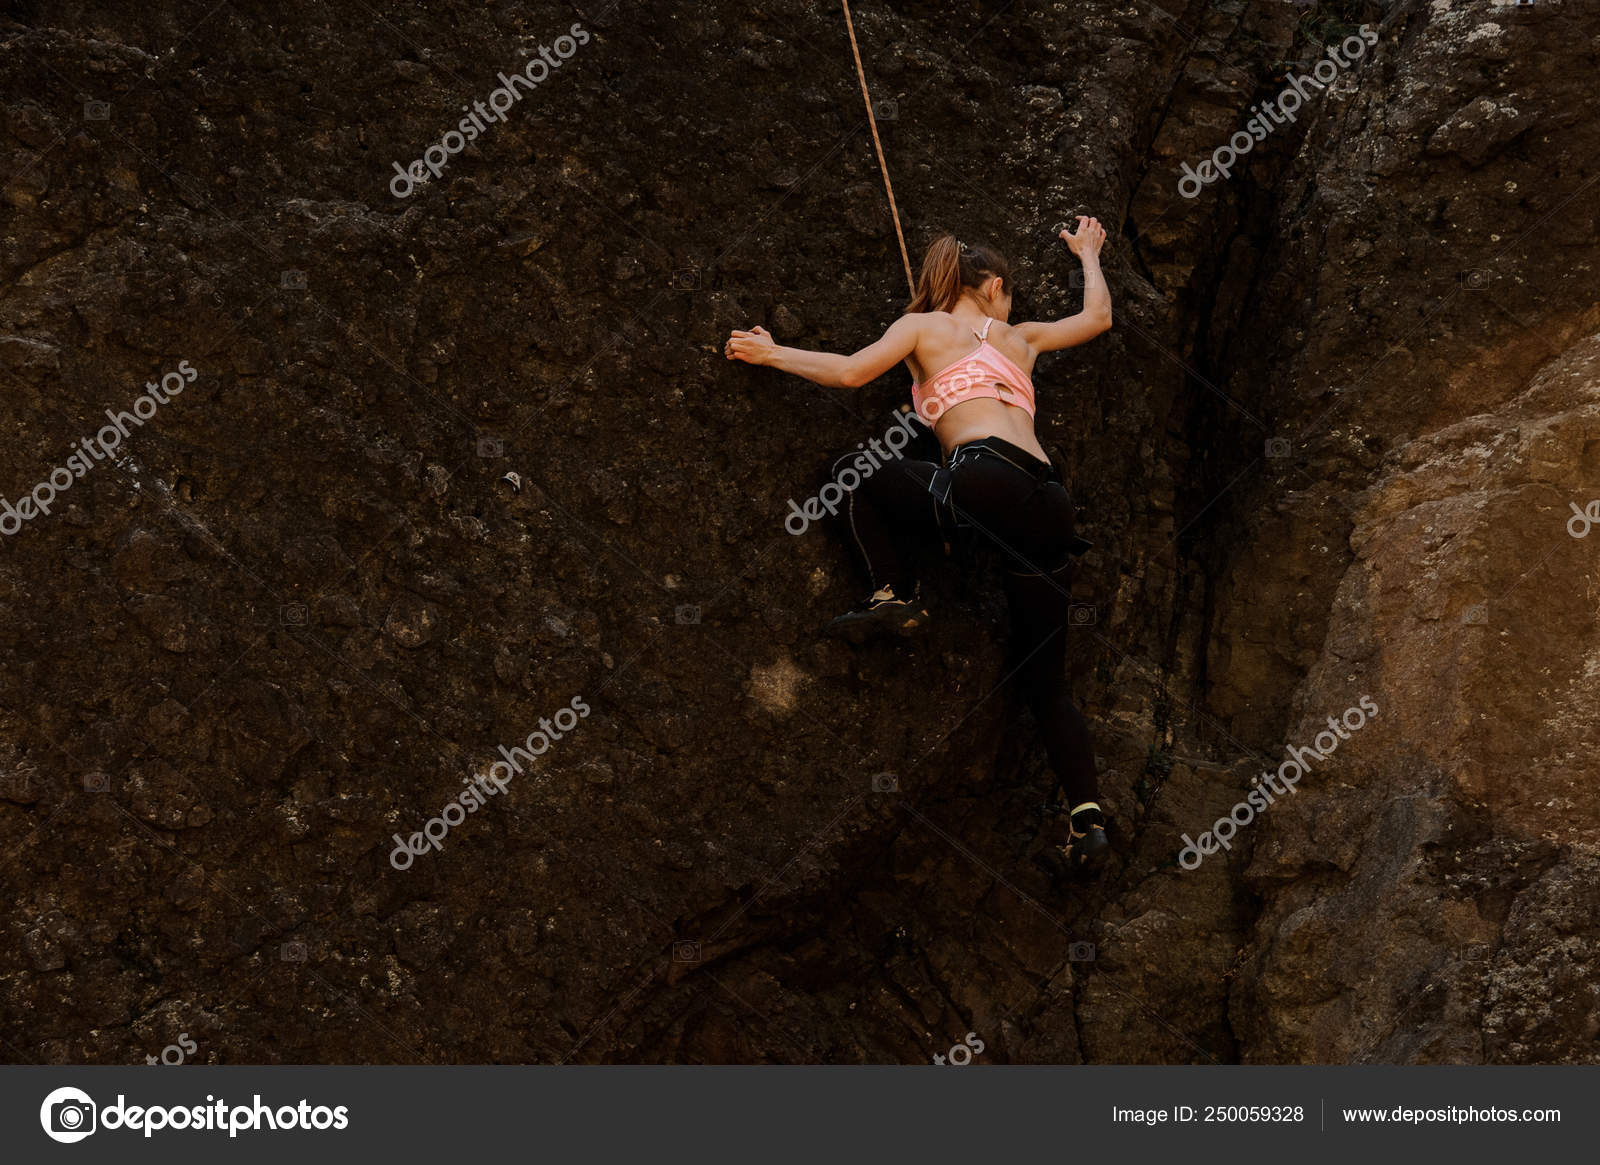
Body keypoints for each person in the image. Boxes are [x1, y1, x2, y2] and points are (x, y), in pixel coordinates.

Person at [724, 219, 1113, 873]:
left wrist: (772, 353)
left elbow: (851, 373)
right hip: (1049, 504)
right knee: (1044, 685)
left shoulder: (923, 327)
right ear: (993, 288)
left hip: (984, 478)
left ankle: (895, 593)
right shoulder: (1022, 339)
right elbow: (1097, 316)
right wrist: (1089, 254)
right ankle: (1089, 822)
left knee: (850, 473)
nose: (1007, 304)